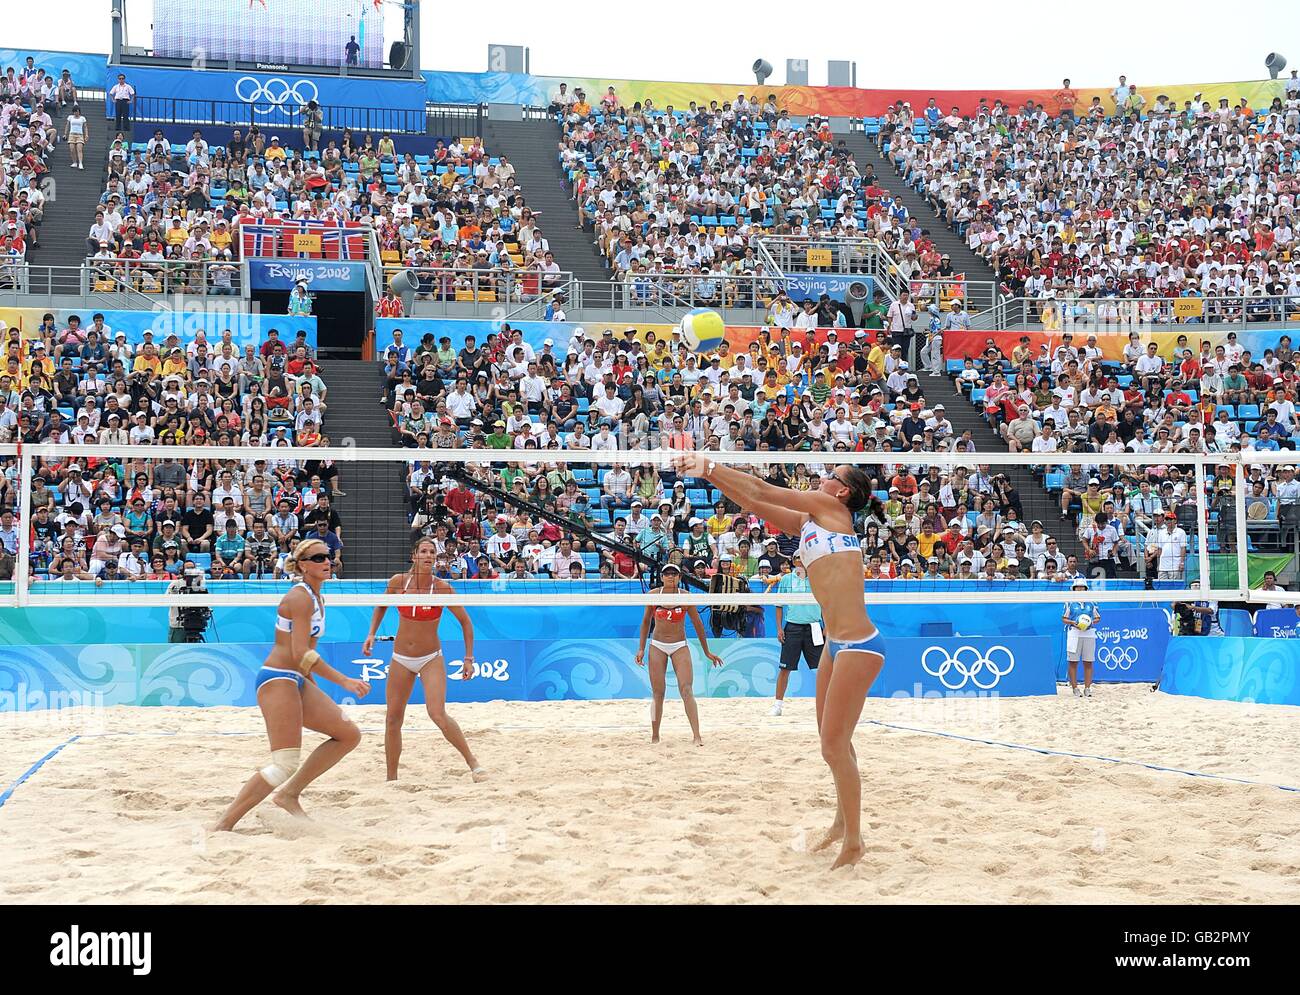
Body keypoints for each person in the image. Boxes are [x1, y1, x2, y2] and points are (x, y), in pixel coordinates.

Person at [672, 451, 886, 869]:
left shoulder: (831, 509)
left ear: (842, 491)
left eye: (831, 476)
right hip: (835, 644)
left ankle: (855, 841)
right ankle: (843, 824)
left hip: (859, 646)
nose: (823, 478)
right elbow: (752, 502)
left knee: (833, 745)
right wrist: (706, 474)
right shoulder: (809, 523)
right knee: (833, 746)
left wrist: (708, 464)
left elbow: (762, 487)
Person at [213, 539, 370, 831]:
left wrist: (313, 689)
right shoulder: (300, 597)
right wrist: (343, 680)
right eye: (319, 557)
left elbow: (305, 654)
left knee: (348, 734)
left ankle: (288, 794)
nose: (328, 561)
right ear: (302, 565)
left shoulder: (317, 596)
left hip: (296, 679)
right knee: (284, 762)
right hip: (277, 679)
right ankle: (222, 825)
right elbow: (300, 652)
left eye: (329, 556)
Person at [362, 537, 486, 782]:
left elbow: (466, 622)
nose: (429, 556)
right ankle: (391, 778)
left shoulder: (442, 588)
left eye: (432, 552)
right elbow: (381, 606)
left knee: (437, 714)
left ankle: (473, 763)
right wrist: (371, 634)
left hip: (430, 658)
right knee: (393, 719)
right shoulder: (399, 582)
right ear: (414, 556)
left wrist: (468, 658)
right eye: (424, 551)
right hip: (400, 658)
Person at [634, 562, 722, 746]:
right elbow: (645, 623)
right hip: (657, 645)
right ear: (661, 577)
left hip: (679, 645)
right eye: (667, 574)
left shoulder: (686, 597)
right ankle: (655, 736)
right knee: (658, 693)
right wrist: (641, 648)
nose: (671, 576)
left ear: (680, 578)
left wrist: (707, 651)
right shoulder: (653, 596)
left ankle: (697, 736)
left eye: (674, 574)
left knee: (687, 690)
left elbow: (698, 624)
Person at [771, 561, 823, 716]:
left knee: (823, 668)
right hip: (793, 627)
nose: (804, 560)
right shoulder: (787, 579)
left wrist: (827, 626)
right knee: (785, 668)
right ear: (795, 561)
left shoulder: (818, 577)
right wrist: (780, 628)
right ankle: (777, 705)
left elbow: (826, 604)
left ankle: (827, 703)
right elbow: (779, 605)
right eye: (800, 557)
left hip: (814, 627)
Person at [1062, 578, 1101, 698]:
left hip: (1089, 633)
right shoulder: (1069, 602)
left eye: (1082, 587)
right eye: (1077, 587)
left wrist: (1090, 623)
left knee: (1088, 662)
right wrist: (1074, 623)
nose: (1080, 589)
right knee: (1073, 662)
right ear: (1074, 589)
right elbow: (1063, 619)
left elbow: (1098, 618)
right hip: (1074, 633)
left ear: (1085, 589)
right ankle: (1075, 688)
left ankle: (1088, 688)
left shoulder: (1091, 603)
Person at [63, 104, 88, 170]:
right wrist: (65, 134)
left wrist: (86, 135)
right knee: (72, 149)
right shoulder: (70, 117)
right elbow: (67, 125)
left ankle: (80, 163)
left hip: (80, 135)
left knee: (79, 149)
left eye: (77, 111)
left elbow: (85, 127)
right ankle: (74, 162)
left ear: (79, 111)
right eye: (74, 111)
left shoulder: (82, 118)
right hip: (72, 134)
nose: (75, 113)